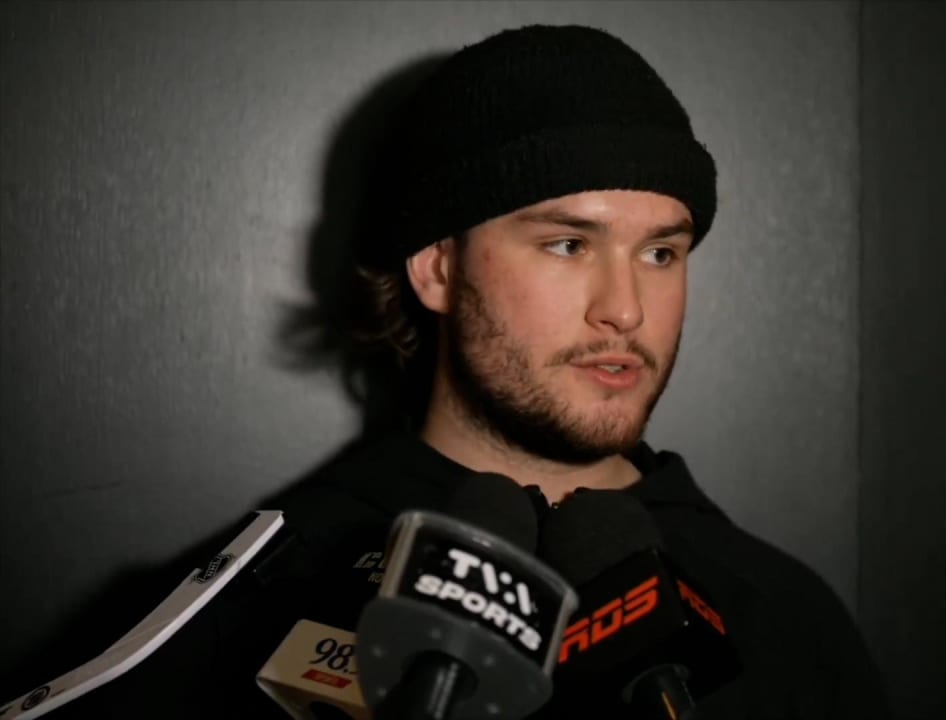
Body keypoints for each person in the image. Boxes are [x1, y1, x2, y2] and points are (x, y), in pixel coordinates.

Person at [32, 24, 889, 719]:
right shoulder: (268, 590)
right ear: (438, 268)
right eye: (567, 243)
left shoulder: (787, 616)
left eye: (661, 251)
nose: (625, 309)